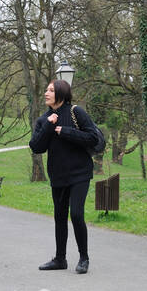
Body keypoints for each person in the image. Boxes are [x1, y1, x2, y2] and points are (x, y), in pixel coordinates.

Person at [29, 78, 97, 274]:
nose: (46, 93)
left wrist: (64, 131)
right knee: (60, 217)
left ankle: (84, 258)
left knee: (76, 214)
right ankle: (60, 259)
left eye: (50, 90)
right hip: (58, 175)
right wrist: (49, 126)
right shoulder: (44, 119)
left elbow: (92, 137)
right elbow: (36, 147)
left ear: (60, 93)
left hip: (80, 173)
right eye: (46, 89)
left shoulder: (77, 112)